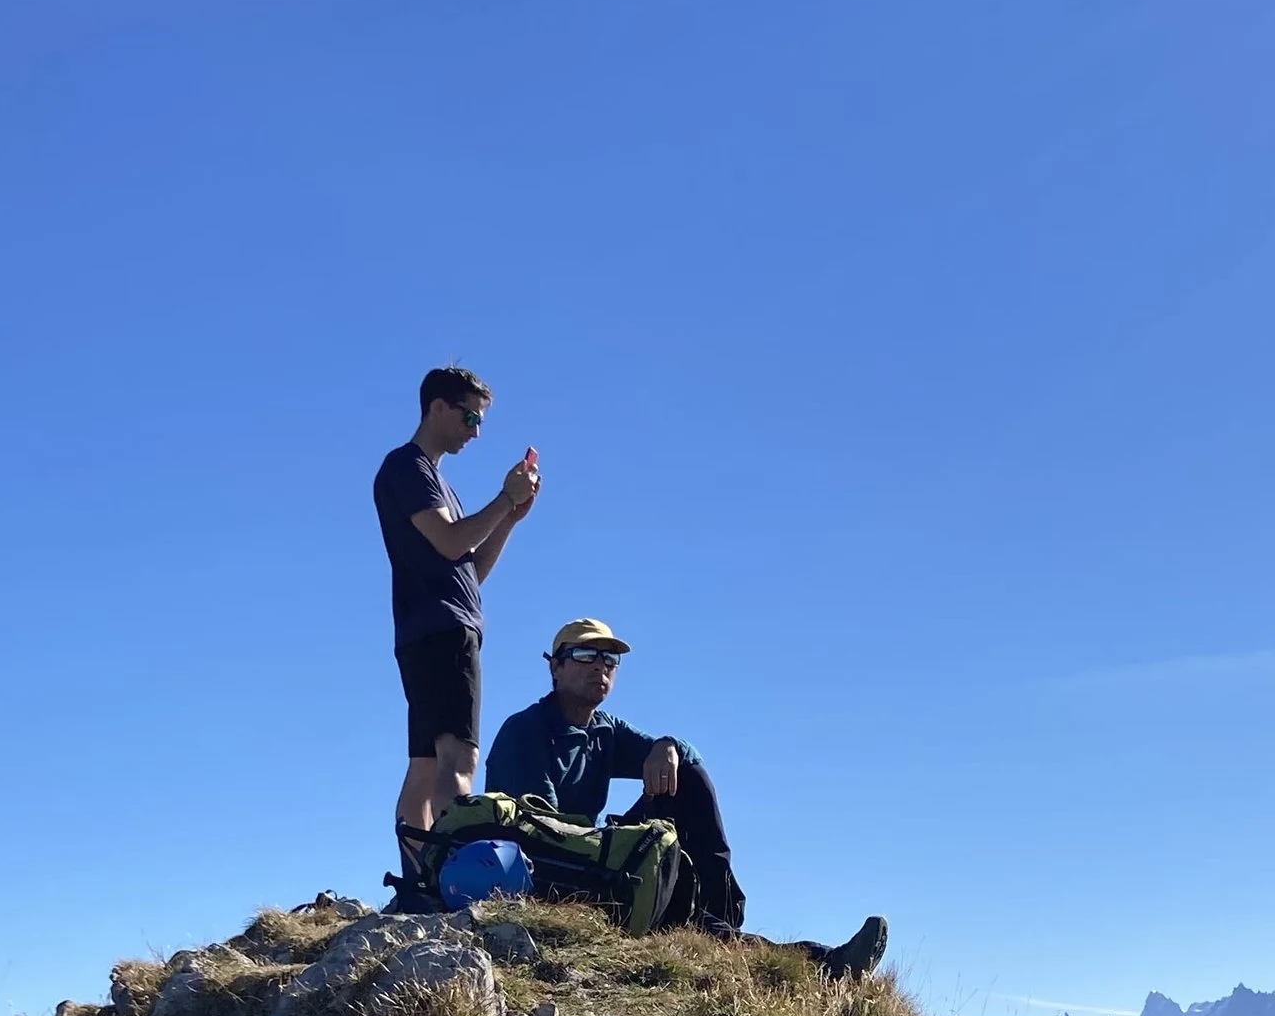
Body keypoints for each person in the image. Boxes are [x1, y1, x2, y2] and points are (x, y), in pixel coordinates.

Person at [485, 617, 888, 979]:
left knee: (687, 776)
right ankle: (820, 962)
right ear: (555, 666)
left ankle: (720, 905)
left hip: (589, 854)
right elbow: (543, 832)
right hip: (554, 871)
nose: (600, 667)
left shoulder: (603, 729)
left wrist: (667, 745)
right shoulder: (527, 732)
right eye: (586, 654)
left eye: (610, 660)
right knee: (655, 858)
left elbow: (687, 757)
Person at [372, 365, 539, 872]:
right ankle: (457, 874)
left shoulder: (438, 485)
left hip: (434, 627)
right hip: (443, 632)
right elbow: (450, 541)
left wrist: (509, 516)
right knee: (458, 760)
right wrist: (504, 498)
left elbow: (470, 568)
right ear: (437, 407)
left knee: (424, 766)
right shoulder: (408, 468)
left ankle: (419, 880)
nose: (475, 431)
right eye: (469, 416)